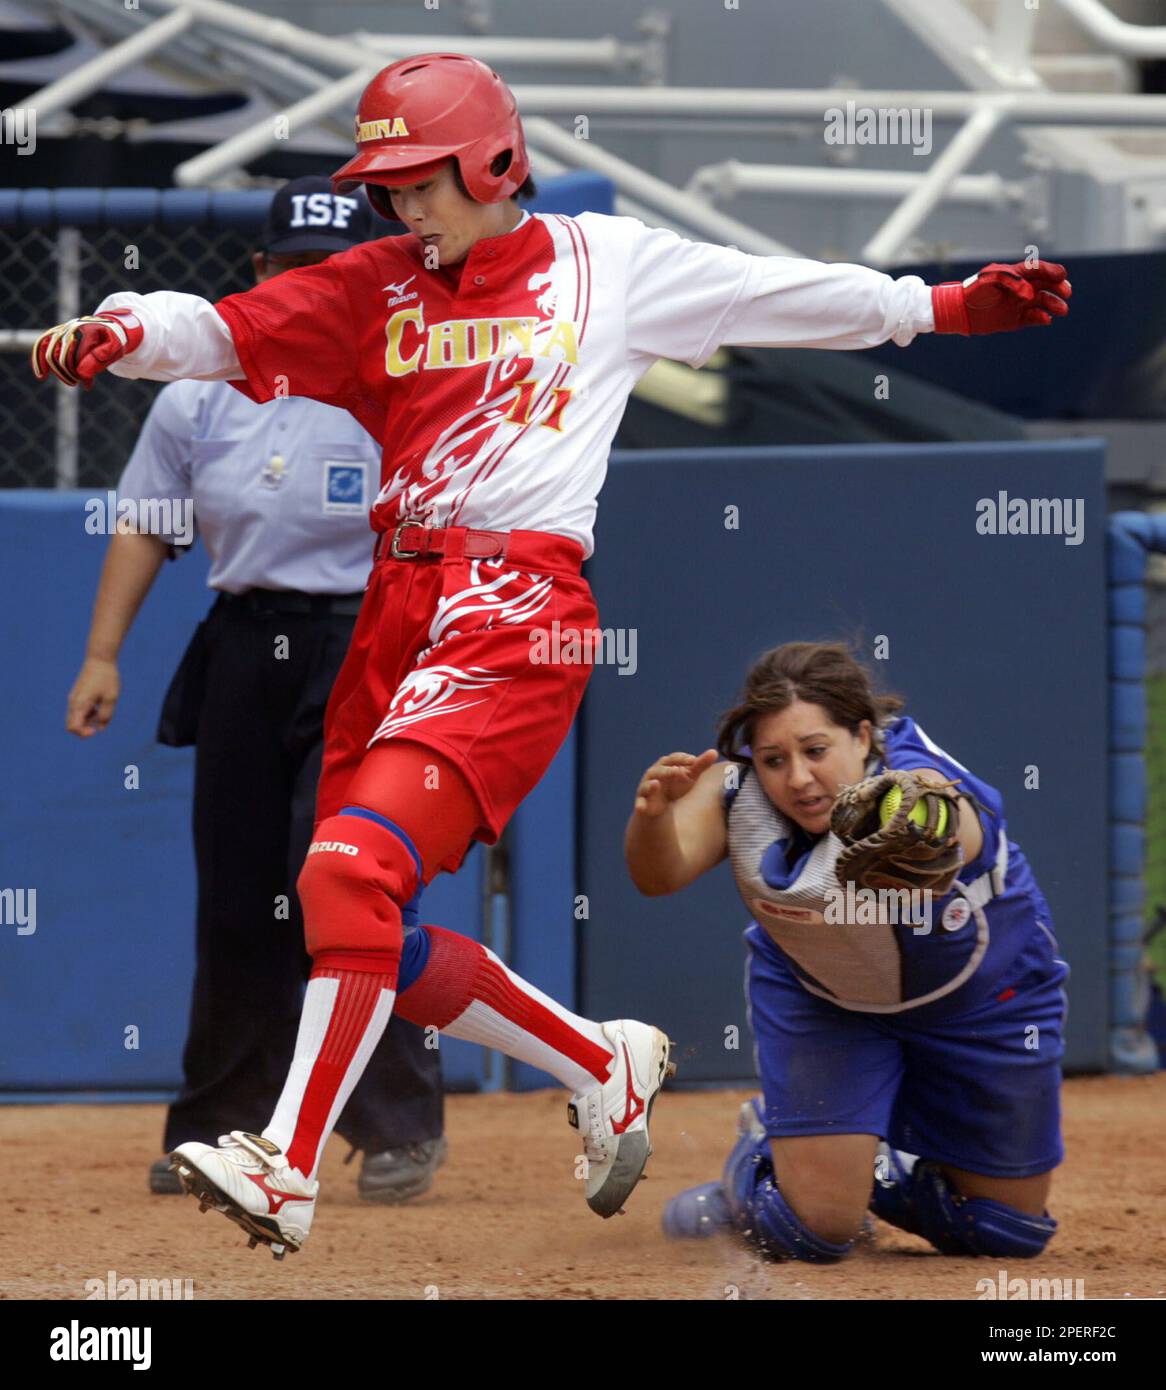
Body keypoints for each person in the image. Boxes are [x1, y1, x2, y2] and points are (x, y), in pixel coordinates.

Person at [31, 52, 1071, 1259]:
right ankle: (598, 1057)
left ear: (492, 159)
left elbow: (771, 294)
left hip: (517, 600)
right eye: (385, 187)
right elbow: (220, 330)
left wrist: (934, 307)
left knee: (350, 878)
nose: (400, 207)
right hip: (399, 604)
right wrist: (123, 326)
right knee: (344, 898)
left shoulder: (600, 266)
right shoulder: (377, 284)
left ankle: (286, 1164)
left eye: (418, 180)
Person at [64, 176, 447, 1206]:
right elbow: (147, 517)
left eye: (327, 271)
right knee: (238, 890)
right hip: (244, 645)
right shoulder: (196, 391)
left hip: (366, 642)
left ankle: (395, 1121)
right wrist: (104, 654)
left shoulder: (397, 383)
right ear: (256, 276)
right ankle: (218, 1122)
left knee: (343, 882)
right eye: (286, 267)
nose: (303, 284)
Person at [628, 642, 1067, 1263]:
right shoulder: (740, 791)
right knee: (812, 1230)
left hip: (983, 997)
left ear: (862, 735)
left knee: (1004, 1232)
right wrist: (650, 816)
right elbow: (658, 875)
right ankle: (764, 1160)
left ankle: (879, 1168)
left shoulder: (910, 773)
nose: (798, 778)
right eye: (774, 758)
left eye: (815, 750)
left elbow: (960, 824)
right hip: (826, 999)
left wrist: (927, 825)